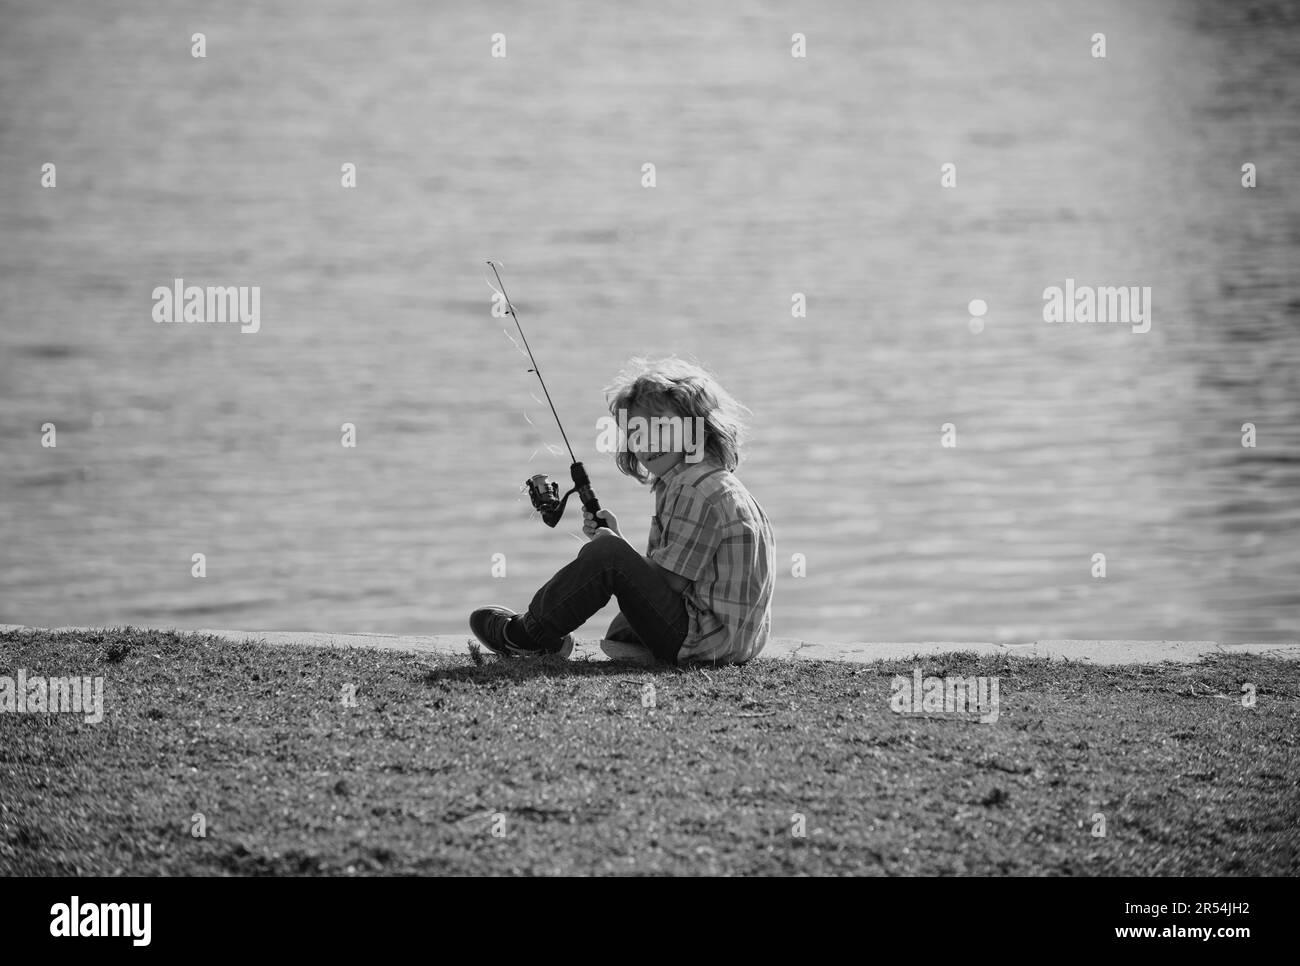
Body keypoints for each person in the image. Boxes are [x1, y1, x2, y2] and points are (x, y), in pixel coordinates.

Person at [469, 356, 774, 667]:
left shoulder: (693, 489)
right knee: (620, 624)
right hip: (733, 642)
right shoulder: (704, 480)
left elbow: (670, 583)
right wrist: (620, 545)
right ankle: (554, 635)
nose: (647, 443)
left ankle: (526, 636)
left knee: (608, 555)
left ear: (697, 427)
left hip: (702, 643)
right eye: (636, 434)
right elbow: (674, 574)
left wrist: (614, 551)